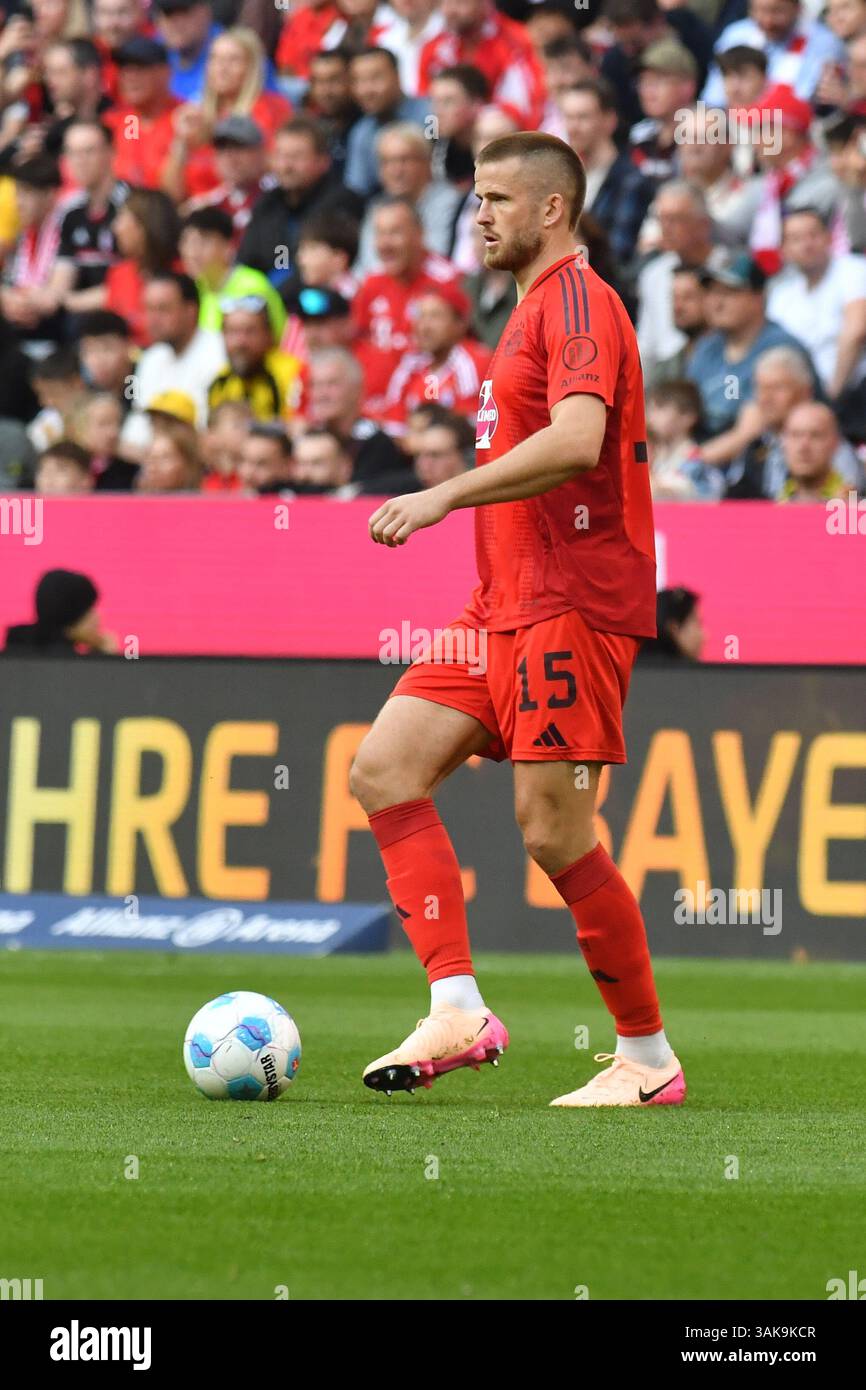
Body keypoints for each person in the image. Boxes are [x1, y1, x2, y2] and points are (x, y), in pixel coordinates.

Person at [354, 132, 684, 1109]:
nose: (479, 214)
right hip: (498, 605)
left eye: (496, 197)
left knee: (551, 832)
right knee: (382, 768)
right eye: (475, 196)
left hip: (569, 604)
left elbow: (579, 440)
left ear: (551, 209)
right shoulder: (523, 310)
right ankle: (455, 1006)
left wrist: (443, 495)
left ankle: (646, 1058)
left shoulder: (579, 301)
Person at [237, 116, 363, 278]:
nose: (286, 166)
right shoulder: (267, 204)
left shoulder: (342, 203)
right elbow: (250, 263)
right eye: (280, 156)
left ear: (323, 161)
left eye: (296, 157)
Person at [766, 206, 866, 398]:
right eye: (796, 239)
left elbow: (856, 332)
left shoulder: (855, 270)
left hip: (852, 392)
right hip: (798, 396)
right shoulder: (781, 295)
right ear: (784, 250)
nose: (807, 244)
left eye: (813, 235)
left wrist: (831, 396)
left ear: (829, 238)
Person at [343, 45, 430, 197]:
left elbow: (438, 169)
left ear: (397, 76)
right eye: (358, 81)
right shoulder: (361, 133)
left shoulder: (430, 115)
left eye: (375, 78)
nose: (366, 90)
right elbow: (357, 192)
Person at [207, 297, 303, 419]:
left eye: (250, 331)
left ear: (269, 335)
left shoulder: (293, 374)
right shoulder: (220, 383)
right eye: (232, 332)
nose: (241, 342)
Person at [3, 568, 117, 656]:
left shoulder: (15, 652)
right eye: (88, 609)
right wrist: (105, 662)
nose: (97, 617)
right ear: (70, 616)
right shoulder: (68, 666)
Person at [646, 379, 723, 499]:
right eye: (650, 409)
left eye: (660, 408)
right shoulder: (654, 456)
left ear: (688, 417)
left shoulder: (697, 462)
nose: (650, 416)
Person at [777, 401, 849, 501]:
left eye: (815, 436)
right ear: (783, 443)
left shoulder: (852, 506)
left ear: (835, 444)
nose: (803, 447)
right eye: (795, 435)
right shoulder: (777, 502)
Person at [637, 587, 704, 664]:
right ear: (674, 628)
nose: (705, 635)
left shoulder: (630, 668)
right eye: (698, 624)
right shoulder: (683, 673)